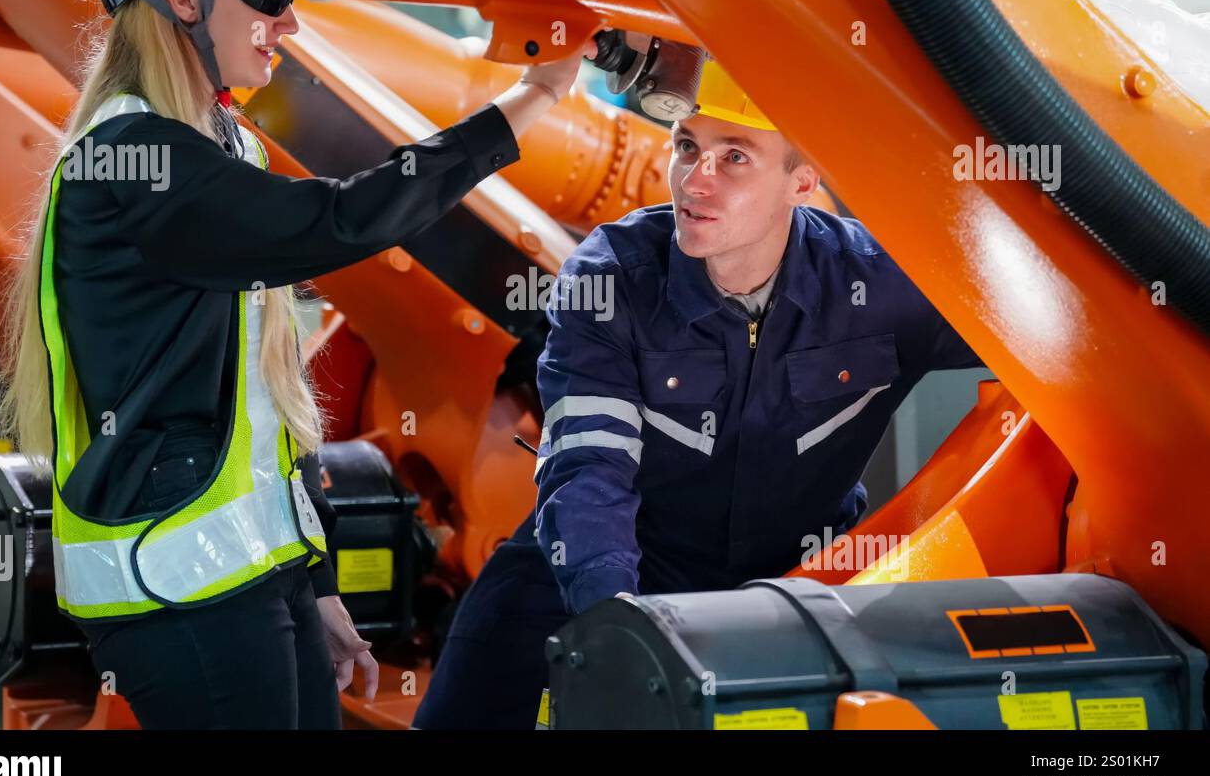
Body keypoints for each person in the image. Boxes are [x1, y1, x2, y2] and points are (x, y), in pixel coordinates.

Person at [0, 0, 592, 729]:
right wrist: (532, 99)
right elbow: (338, 221)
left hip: (244, 575)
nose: (289, 23)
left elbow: (264, 405)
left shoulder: (217, 149)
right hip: (176, 586)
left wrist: (314, 585)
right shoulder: (132, 159)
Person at [414, 61, 983, 729]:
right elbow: (588, 473)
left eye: (734, 157)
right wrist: (613, 635)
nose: (695, 179)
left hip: (795, 600)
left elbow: (1063, 339)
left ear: (802, 181)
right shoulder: (611, 280)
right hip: (595, 585)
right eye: (687, 147)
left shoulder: (882, 289)